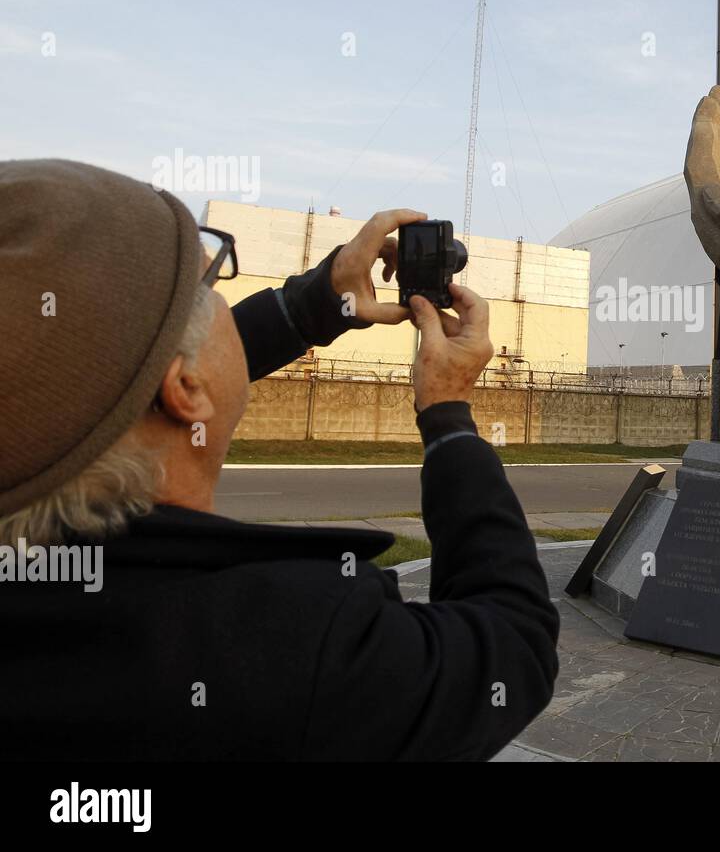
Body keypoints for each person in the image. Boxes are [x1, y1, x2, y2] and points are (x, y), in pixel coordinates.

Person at [0, 158, 559, 760]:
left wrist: (319, 302)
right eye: (203, 289)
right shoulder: (296, 644)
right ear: (184, 387)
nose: (219, 304)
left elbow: (113, 377)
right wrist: (449, 419)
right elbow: (513, 643)